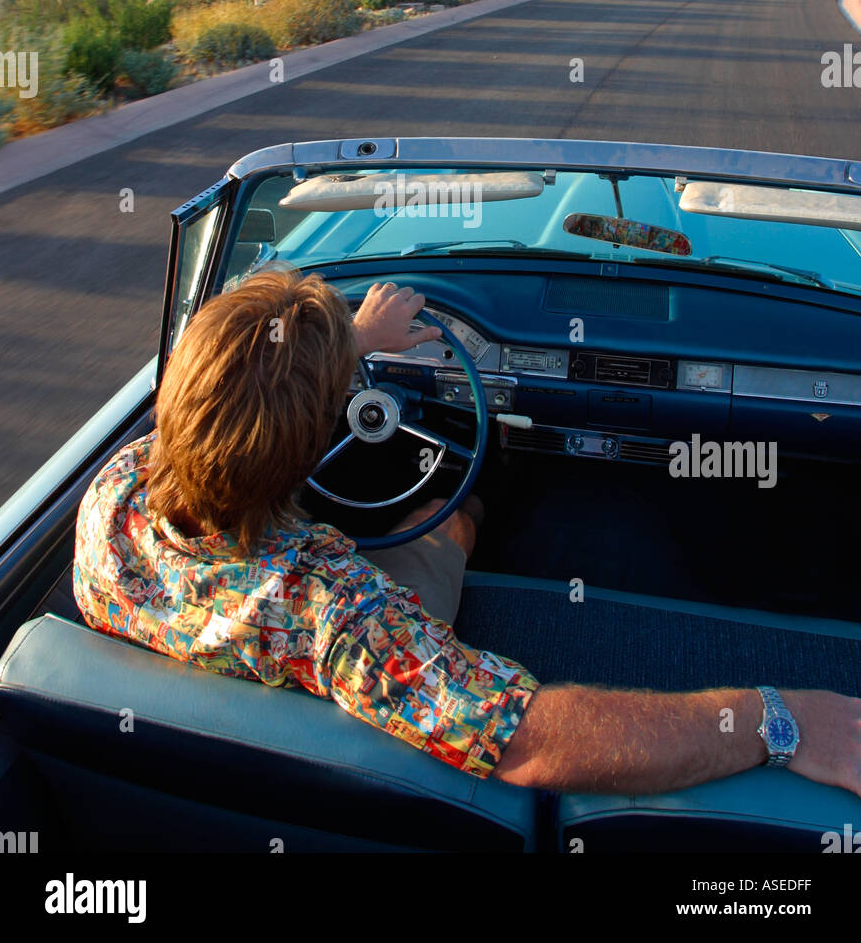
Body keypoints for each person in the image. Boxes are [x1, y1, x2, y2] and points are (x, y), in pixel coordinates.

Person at [73, 271, 861, 797]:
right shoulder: (340, 612)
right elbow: (534, 743)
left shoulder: (113, 498)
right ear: (310, 448)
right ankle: (476, 512)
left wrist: (352, 343)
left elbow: (242, 405)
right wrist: (774, 718)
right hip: (352, 665)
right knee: (445, 520)